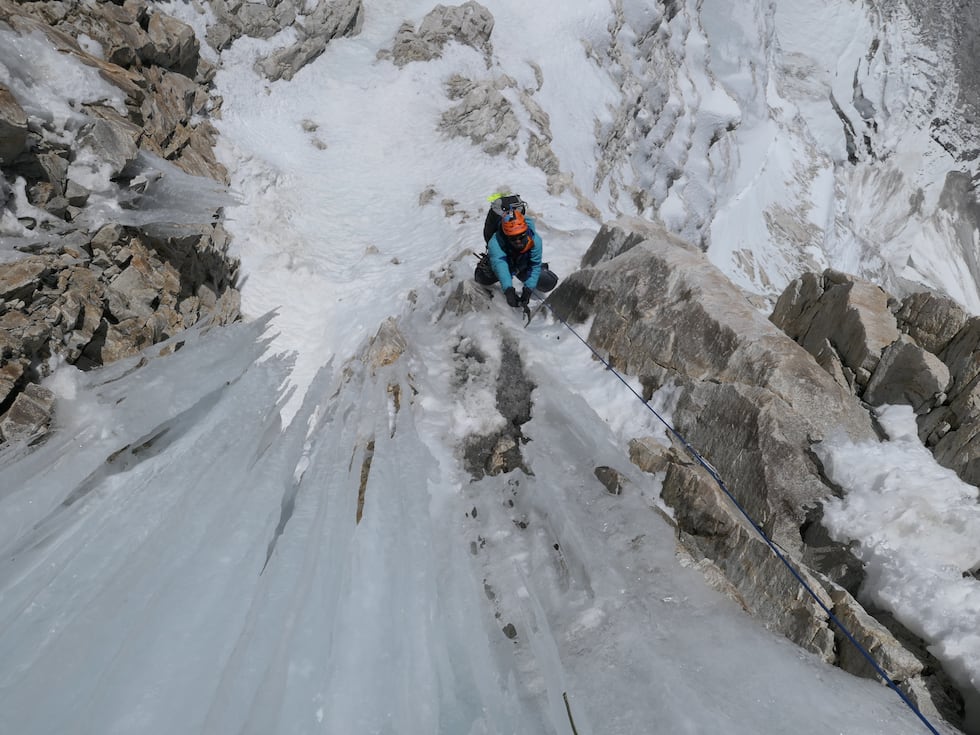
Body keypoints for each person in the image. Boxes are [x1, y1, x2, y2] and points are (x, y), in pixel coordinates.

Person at [474, 195, 558, 307]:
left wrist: (528, 290)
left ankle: (530, 270)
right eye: (513, 238)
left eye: (521, 236)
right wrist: (508, 290)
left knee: (548, 283)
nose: (518, 241)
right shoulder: (495, 242)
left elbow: (534, 265)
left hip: (522, 264)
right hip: (507, 260)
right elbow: (501, 266)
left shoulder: (535, 240)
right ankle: (489, 263)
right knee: (481, 278)